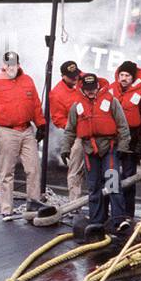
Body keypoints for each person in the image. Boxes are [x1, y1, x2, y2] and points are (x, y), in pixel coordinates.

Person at [61, 72, 131, 236]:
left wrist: (123, 146)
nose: (91, 92)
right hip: (89, 149)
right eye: (88, 89)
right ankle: (97, 220)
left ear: (98, 86)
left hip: (110, 146)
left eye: (93, 88)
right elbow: (70, 130)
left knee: (112, 182)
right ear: (83, 89)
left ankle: (119, 219)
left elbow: (123, 127)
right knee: (93, 186)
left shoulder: (111, 102)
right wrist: (66, 147)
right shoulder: (76, 106)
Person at [0, 50, 46, 220]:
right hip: (6, 131)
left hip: (26, 130)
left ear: (18, 65)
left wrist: (41, 124)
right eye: (7, 64)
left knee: (33, 169)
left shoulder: (28, 81)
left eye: (14, 64)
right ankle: (6, 209)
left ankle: (33, 204)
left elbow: (36, 105)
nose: (11, 67)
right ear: (3, 65)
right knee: (7, 172)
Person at [109, 61, 141, 219]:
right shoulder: (110, 93)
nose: (124, 78)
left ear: (133, 78)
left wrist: (140, 146)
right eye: (122, 75)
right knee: (111, 176)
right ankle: (113, 212)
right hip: (113, 142)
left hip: (132, 144)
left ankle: (128, 214)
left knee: (129, 179)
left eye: (127, 76)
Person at [49, 59, 85, 203]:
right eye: (71, 77)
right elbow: (58, 119)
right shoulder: (56, 94)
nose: (75, 79)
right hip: (78, 135)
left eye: (76, 75)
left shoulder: (83, 79)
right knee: (75, 171)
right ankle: (74, 204)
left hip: (96, 132)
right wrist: (75, 127)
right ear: (63, 76)